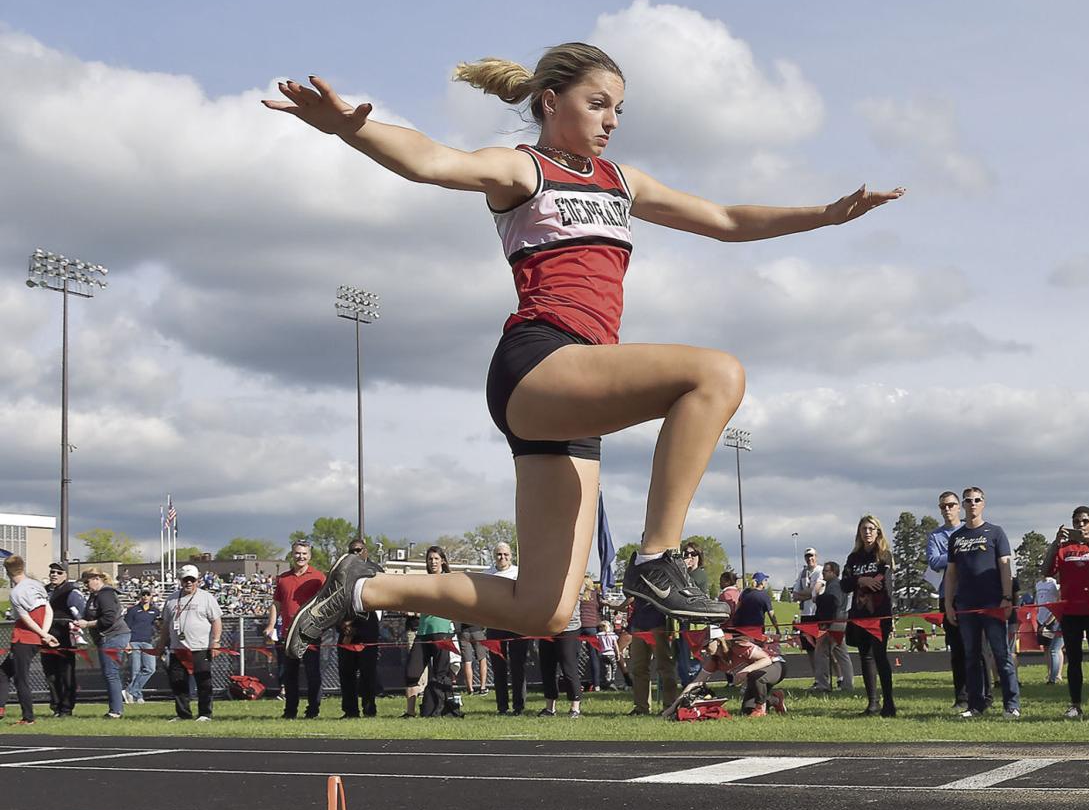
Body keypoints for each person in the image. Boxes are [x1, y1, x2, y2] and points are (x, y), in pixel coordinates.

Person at [268, 45, 902, 662]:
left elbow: (725, 219)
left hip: (577, 388)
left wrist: (826, 214)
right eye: (598, 104)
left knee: (543, 608)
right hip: (539, 362)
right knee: (716, 373)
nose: (611, 121)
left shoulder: (622, 182)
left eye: (619, 110)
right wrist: (349, 130)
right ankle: (656, 557)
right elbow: (432, 160)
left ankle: (363, 585)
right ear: (550, 102)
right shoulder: (525, 170)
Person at [944, 489, 1019, 718]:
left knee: (1001, 654)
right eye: (968, 500)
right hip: (966, 605)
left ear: (983, 503)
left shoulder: (995, 533)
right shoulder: (956, 537)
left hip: (993, 603)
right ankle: (976, 705)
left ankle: (1011, 705)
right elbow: (951, 573)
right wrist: (948, 603)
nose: (972, 504)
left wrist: (1007, 598)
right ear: (963, 505)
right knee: (971, 656)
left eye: (976, 500)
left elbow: (1006, 566)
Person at [1043, 506, 1089, 718]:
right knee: (1074, 659)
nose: (1080, 525)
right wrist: (1054, 544)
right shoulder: (1064, 549)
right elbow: (1046, 571)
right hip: (1070, 610)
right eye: (1077, 522)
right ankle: (1075, 705)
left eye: (1085, 521)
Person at [842, 515, 897, 717]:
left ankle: (889, 703)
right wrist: (862, 580)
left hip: (880, 613)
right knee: (865, 656)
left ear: (878, 531)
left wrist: (871, 582)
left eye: (871, 528)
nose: (867, 532)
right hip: (859, 613)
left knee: (880, 657)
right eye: (864, 528)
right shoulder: (853, 558)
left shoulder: (884, 555)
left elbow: (885, 583)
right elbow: (844, 584)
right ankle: (872, 702)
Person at [152, 565, 223, 721]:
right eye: (185, 580)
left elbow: (216, 621)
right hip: (177, 649)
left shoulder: (206, 598)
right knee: (178, 683)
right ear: (180, 580)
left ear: (197, 580)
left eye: (192, 580)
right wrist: (161, 644)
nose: (188, 583)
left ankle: (205, 713)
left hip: (200, 647)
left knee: (204, 682)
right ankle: (183, 714)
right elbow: (166, 625)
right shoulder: (171, 599)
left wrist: (215, 642)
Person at [671, 626, 785, 718]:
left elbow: (766, 659)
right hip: (754, 677)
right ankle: (775, 699)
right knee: (747, 711)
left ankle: (760, 709)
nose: (704, 649)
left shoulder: (738, 646)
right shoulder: (714, 660)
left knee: (755, 676)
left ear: (718, 641)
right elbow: (696, 683)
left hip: (776, 664)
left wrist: (745, 671)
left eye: (706, 645)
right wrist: (673, 707)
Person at [266, 542, 324, 719]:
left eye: (304, 554)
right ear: (292, 555)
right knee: (289, 675)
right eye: (298, 553)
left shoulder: (318, 577)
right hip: (288, 634)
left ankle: (313, 710)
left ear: (310, 556)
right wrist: (270, 625)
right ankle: (290, 711)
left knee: (313, 674)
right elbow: (276, 604)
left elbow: (324, 605)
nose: (301, 557)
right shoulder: (283, 578)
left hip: (310, 634)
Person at [925, 490, 971, 712]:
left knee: (978, 649)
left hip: (973, 595)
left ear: (959, 507)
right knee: (957, 650)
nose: (947, 509)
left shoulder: (970, 530)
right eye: (943, 506)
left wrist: (953, 555)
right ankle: (961, 697)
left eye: (951, 505)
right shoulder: (935, 536)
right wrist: (958, 553)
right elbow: (934, 561)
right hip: (948, 597)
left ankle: (981, 695)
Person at [404, 547, 462, 718]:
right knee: (411, 673)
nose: (433, 562)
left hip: (442, 632)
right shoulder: (423, 580)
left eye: (436, 558)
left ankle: (438, 709)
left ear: (443, 560)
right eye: (430, 559)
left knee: (440, 675)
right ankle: (410, 711)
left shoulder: (449, 580)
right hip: (422, 632)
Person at [1, 554, 59, 725]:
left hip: (24, 639)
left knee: (21, 679)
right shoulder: (37, 585)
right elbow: (48, 611)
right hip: (36, 637)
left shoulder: (16, 592)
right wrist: (45, 634)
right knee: (3, 672)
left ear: (7, 572)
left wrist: (43, 635)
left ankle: (28, 717)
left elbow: (26, 619)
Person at [481, 542, 531, 715]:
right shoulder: (486, 575)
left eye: (505, 554)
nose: (502, 558)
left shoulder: (520, 573)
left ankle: (519, 706)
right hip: (495, 625)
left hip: (517, 624)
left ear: (511, 556)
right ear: (494, 556)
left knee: (518, 666)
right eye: (499, 555)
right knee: (498, 667)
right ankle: (502, 706)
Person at [74, 570, 131, 718]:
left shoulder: (105, 594)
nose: (86, 585)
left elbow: (109, 618)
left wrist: (87, 624)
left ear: (97, 578)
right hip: (105, 637)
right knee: (110, 673)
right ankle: (116, 707)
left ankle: (116, 710)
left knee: (111, 673)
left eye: (87, 582)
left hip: (113, 636)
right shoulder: (94, 596)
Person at [337, 538, 381, 718]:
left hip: (367, 626)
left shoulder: (375, 571)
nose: (355, 553)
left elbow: (379, 598)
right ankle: (350, 711)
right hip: (345, 627)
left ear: (365, 551)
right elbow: (335, 600)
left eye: (358, 550)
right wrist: (342, 623)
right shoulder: (341, 572)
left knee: (367, 673)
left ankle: (370, 709)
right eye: (352, 551)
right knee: (346, 673)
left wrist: (354, 621)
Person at [41, 563, 85, 716]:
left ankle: (66, 707)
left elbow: (80, 613)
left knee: (66, 673)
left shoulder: (72, 591)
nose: (54, 574)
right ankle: (56, 706)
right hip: (46, 636)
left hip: (64, 636)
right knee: (50, 674)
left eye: (58, 572)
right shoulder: (44, 591)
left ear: (65, 575)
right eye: (52, 571)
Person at [625, 596, 677, 716]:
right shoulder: (636, 579)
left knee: (665, 667)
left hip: (658, 622)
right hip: (638, 623)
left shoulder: (661, 577)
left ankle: (670, 706)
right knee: (639, 668)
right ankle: (641, 707)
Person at [537, 589, 584, 718]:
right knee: (547, 669)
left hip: (569, 628)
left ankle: (575, 707)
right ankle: (549, 708)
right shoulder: (547, 579)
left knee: (569, 668)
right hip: (547, 628)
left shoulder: (574, 577)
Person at [812, 560, 855, 694]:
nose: (823, 573)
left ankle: (823, 684)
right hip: (841, 621)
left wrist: (819, 600)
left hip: (833, 623)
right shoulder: (836, 584)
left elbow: (833, 602)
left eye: (826, 570)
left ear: (833, 572)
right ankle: (848, 684)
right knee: (842, 654)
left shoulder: (834, 586)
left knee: (821, 652)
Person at [674, 544, 708, 686]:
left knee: (693, 656)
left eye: (693, 554)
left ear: (699, 557)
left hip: (695, 622)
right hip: (684, 621)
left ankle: (695, 684)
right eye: (686, 554)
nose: (689, 557)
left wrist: (682, 569)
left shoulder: (699, 573)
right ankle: (686, 684)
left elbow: (688, 587)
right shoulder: (685, 573)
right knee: (682, 655)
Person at [123, 588, 160, 705]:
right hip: (134, 641)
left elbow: (159, 625)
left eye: (147, 594)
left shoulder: (155, 611)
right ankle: (137, 696)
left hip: (148, 642)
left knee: (150, 668)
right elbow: (126, 627)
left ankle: (131, 691)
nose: (145, 597)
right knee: (135, 670)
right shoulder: (132, 610)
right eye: (143, 594)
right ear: (140, 596)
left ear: (151, 596)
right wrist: (126, 642)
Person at [792, 546, 823, 670]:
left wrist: (805, 595)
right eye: (807, 556)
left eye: (812, 556)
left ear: (816, 556)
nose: (810, 558)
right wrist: (809, 595)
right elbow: (794, 595)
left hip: (818, 613)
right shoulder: (803, 573)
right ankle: (817, 677)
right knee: (809, 648)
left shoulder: (820, 570)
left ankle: (836, 677)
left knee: (822, 648)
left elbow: (816, 590)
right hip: (806, 615)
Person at [1033, 573, 1063, 686]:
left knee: (1054, 647)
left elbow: (1057, 600)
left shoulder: (1053, 583)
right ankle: (1050, 671)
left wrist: (1051, 618)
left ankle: (1058, 673)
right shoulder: (1039, 584)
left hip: (1052, 618)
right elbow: (1037, 600)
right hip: (1041, 618)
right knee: (1046, 647)